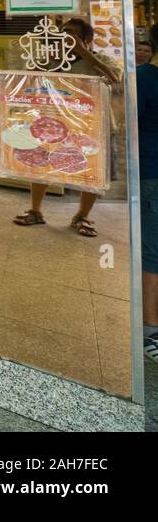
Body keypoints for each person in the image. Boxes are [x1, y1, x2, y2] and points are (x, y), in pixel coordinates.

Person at [13, 17, 121, 236]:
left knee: (92, 172)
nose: (65, 38)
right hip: (53, 127)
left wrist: (82, 52)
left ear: (87, 39)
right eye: (62, 34)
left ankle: (82, 216)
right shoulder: (51, 62)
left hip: (93, 128)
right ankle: (35, 210)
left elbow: (114, 78)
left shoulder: (100, 60)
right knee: (42, 167)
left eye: (71, 34)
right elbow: (27, 83)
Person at [137, 24, 158, 361]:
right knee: (153, 250)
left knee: (153, 250)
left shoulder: (141, 78)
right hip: (151, 173)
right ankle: (150, 329)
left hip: (151, 172)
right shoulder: (142, 79)